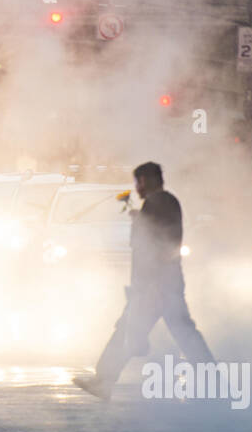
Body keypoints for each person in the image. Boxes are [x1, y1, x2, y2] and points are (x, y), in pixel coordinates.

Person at [74, 161, 214, 400]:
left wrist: (148, 285)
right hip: (160, 283)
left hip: (157, 285)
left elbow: (158, 243)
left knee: (153, 331)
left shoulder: (159, 203)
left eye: (138, 181)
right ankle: (215, 381)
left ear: (147, 180)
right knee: (169, 332)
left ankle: (104, 381)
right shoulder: (163, 203)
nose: (136, 188)